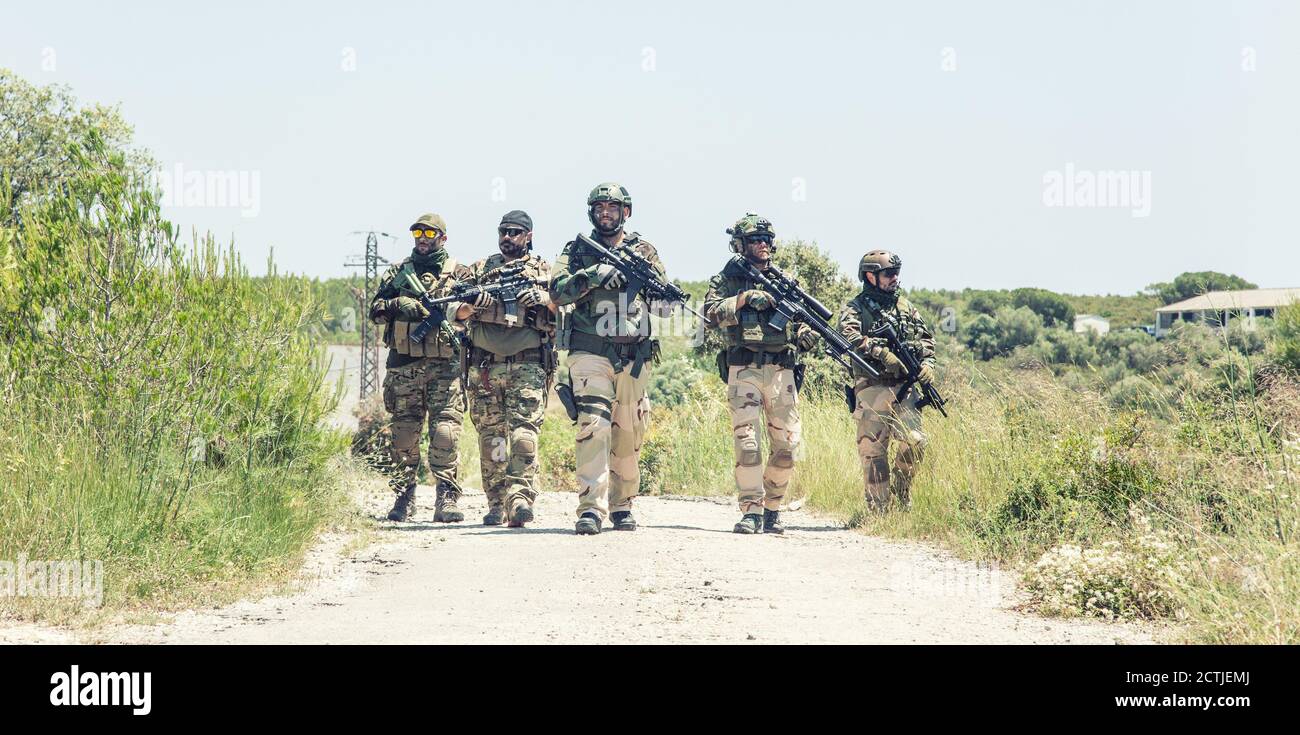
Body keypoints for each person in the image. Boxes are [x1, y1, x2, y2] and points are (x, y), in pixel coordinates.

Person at [549, 183, 673, 535]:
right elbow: (556, 291)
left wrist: (655, 290)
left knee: (628, 431)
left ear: (626, 212)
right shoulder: (576, 250)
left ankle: (622, 505)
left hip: (633, 355)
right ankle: (590, 508)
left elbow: (666, 306)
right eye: (600, 206)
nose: (606, 211)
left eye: (613, 206)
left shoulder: (644, 251)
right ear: (591, 212)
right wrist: (592, 276)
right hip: (590, 350)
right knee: (594, 426)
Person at [702, 213, 816, 534]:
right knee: (747, 443)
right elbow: (708, 315)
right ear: (740, 245)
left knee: (788, 446)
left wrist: (805, 333)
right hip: (744, 368)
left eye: (766, 239)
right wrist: (743, 299)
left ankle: (772, 508)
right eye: (755, 240)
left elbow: (802, 319)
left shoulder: (787, 280)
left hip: (782, 369)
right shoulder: (728, 278)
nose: (762, 245)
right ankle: (751, 509)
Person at [453, 210, 556, 528]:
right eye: (503, 232)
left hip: (528, 363)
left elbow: (566, 308)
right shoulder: (480, 270)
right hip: (485, 366)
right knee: (492, 440)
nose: (507, 237)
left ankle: (521, 498)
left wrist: (544, 299)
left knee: (525, 435)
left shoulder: (545, 271)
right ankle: (496, 503)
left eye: (514, 232)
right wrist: (474, 305)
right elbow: (454, 311)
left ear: (529, 236)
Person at [368, 213, 471, 522]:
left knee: (445, 432)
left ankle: (447, 497)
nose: (423, 239)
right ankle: (404, 497)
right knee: (403, 435)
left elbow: (472, 311)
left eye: (430, 233)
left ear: (443, 237)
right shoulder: (399, 272)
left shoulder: (459, 273)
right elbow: (375, 311)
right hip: (404, 366)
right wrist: (398, 304)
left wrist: (458, 310)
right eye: (418, 234)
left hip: (445, 367)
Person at [836, 250, 936, 511]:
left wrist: (928, 365)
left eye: (896, 273)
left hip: (904, 388)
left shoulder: (905, 307)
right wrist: (881, 353)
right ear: (870, 276)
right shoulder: (854, 308)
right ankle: (879, 511)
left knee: (915, 441)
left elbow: (926, 340)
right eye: (889, 274)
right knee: (873, 452)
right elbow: (847, 337)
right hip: (872, 386)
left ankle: (901, 490)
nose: (895, 279)